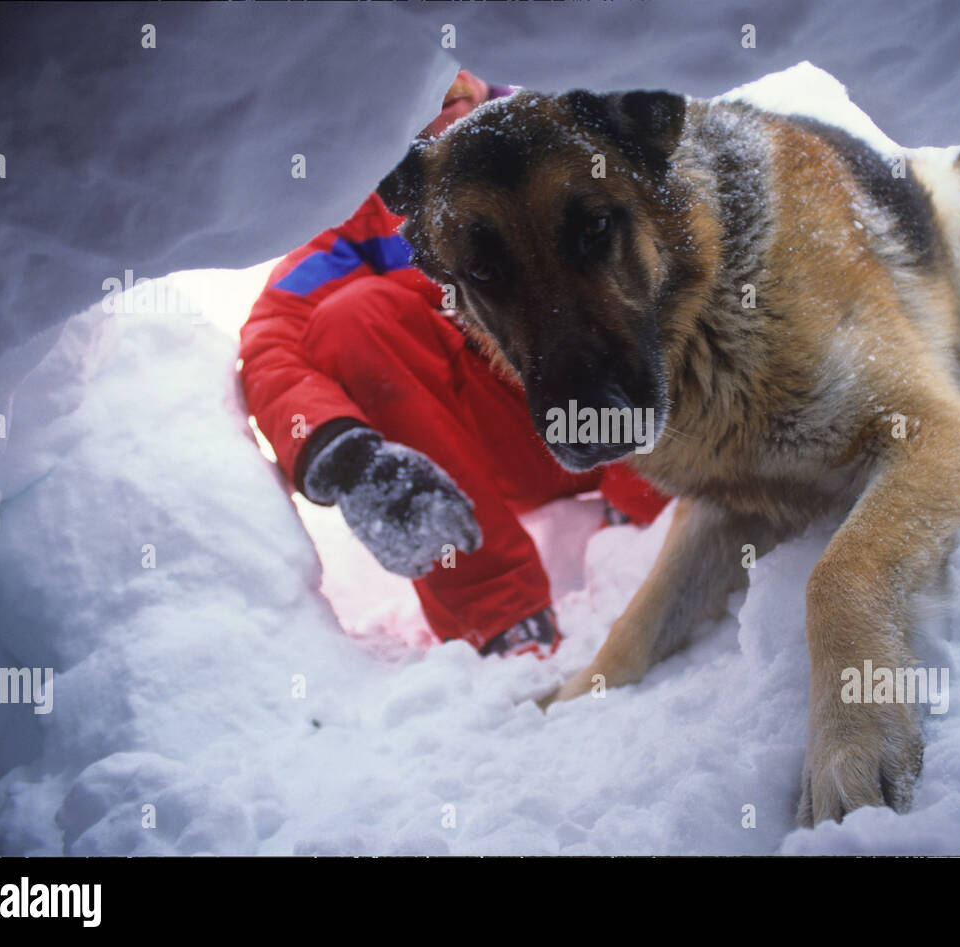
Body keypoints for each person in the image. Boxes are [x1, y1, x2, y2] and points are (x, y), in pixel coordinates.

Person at [238, 71, 670, 659]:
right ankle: (504, 621)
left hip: (651, 424)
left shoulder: (574, 132)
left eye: (453, 56)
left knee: (658, 239)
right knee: (352, 318)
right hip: (515, 439)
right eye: (412, 67)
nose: (440, 80)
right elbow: (272, 340)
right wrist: (343, 454)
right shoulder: (362, 222)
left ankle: (663, 511)